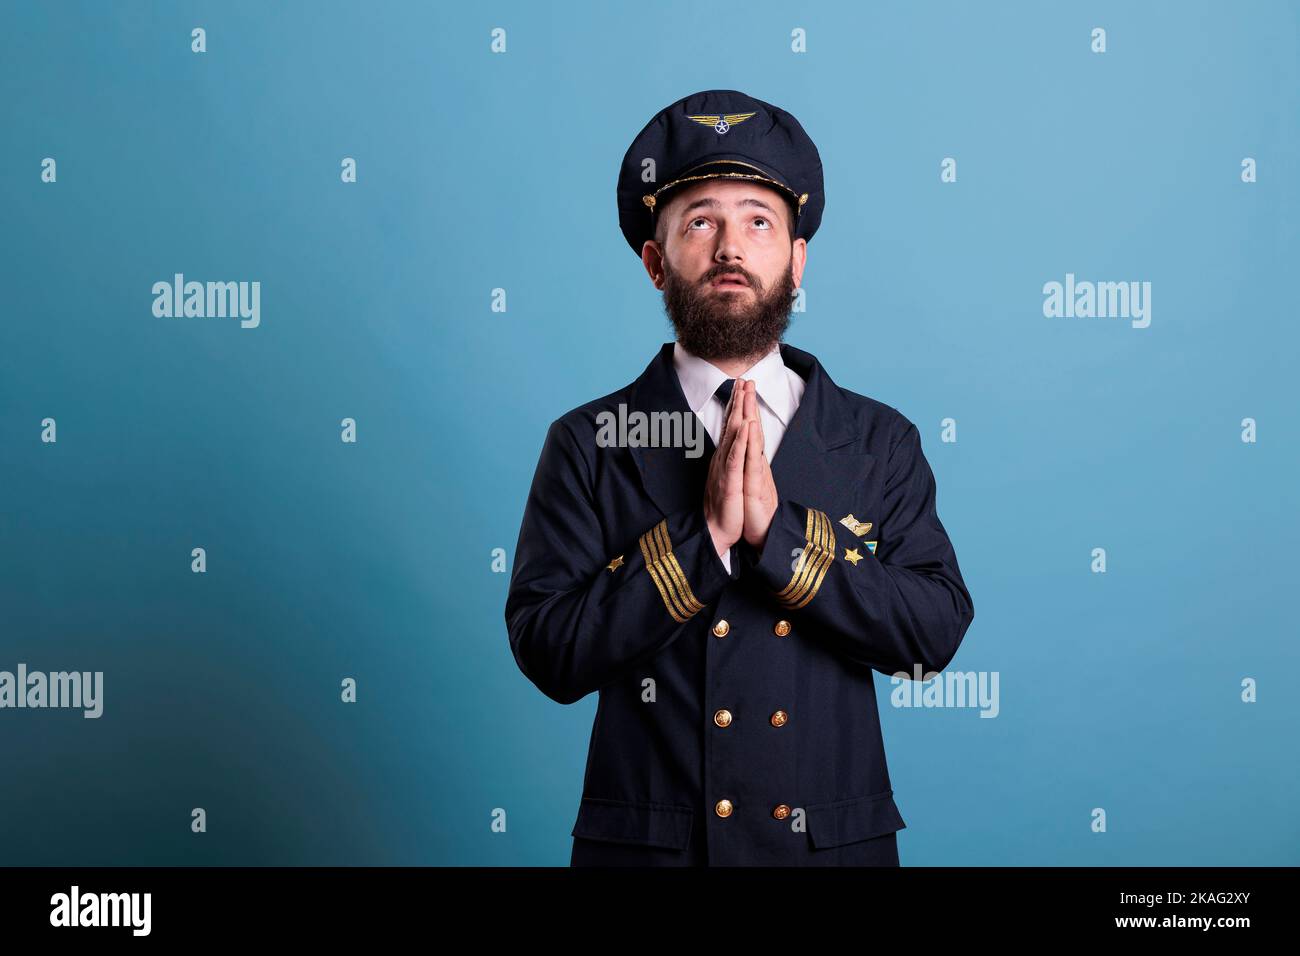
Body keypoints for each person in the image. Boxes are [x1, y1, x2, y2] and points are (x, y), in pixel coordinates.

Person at [504, 89, 974, 865]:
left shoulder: (879, 440)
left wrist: (778, 542)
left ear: (796, 260)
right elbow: (549, 652)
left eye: (759, 220)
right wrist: (708, 542)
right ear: (656, 263)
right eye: (700, 222)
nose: (731, 246)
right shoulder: (586, 442)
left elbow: (933, 635)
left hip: (830, 851)